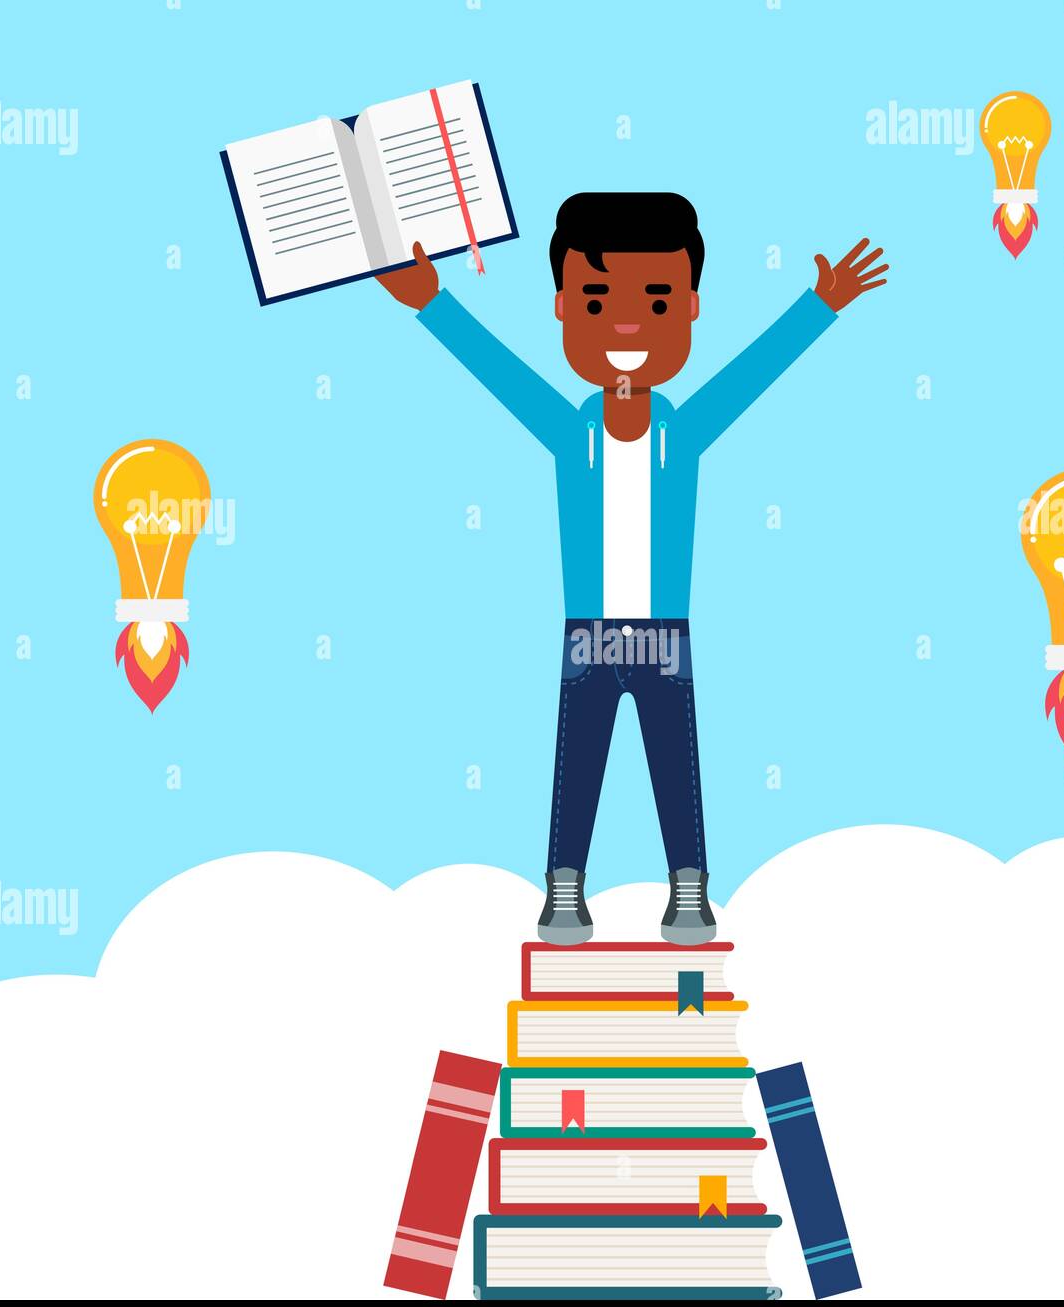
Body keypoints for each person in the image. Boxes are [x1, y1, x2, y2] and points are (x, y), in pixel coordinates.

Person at [378, 193, 888, 944]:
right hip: (588, 636)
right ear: (561, 307)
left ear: (689, 308)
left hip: (664, 637)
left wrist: (820, 306)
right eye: (596, 299)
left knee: (674, 762)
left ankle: (689, 889)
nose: (624, 324)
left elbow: (751, 378)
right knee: (577, 763)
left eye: (654, 301)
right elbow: (501, 374)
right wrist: (433, 305)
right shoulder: (569, 428)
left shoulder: (680, 431)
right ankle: (564, 889)